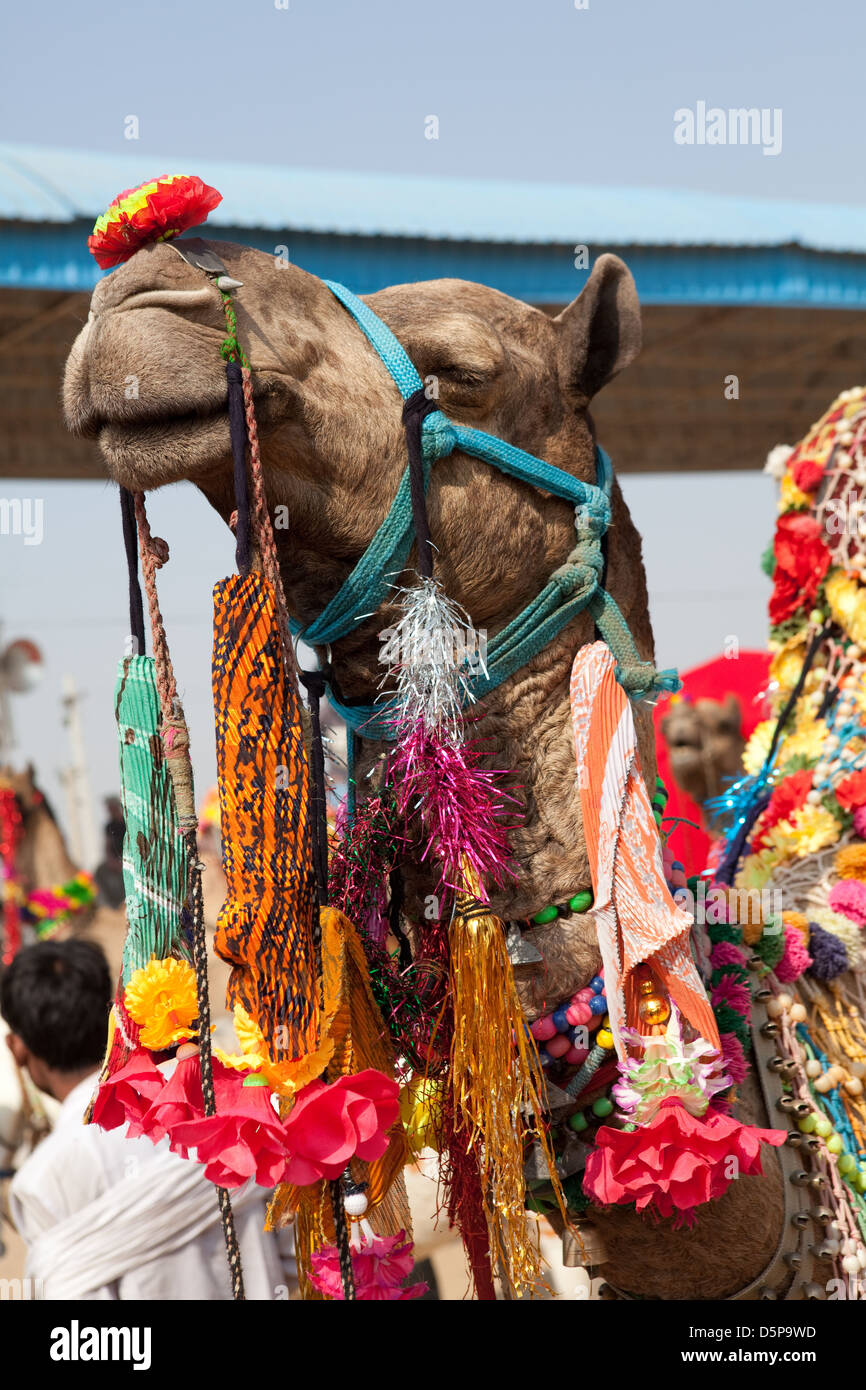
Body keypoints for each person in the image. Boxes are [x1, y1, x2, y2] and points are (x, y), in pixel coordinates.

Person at [1, 939, 295, 1300]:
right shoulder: (220, 1114)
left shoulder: (40, 1184)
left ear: (17, 1048)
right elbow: (292, 1253)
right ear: (113, 1016)